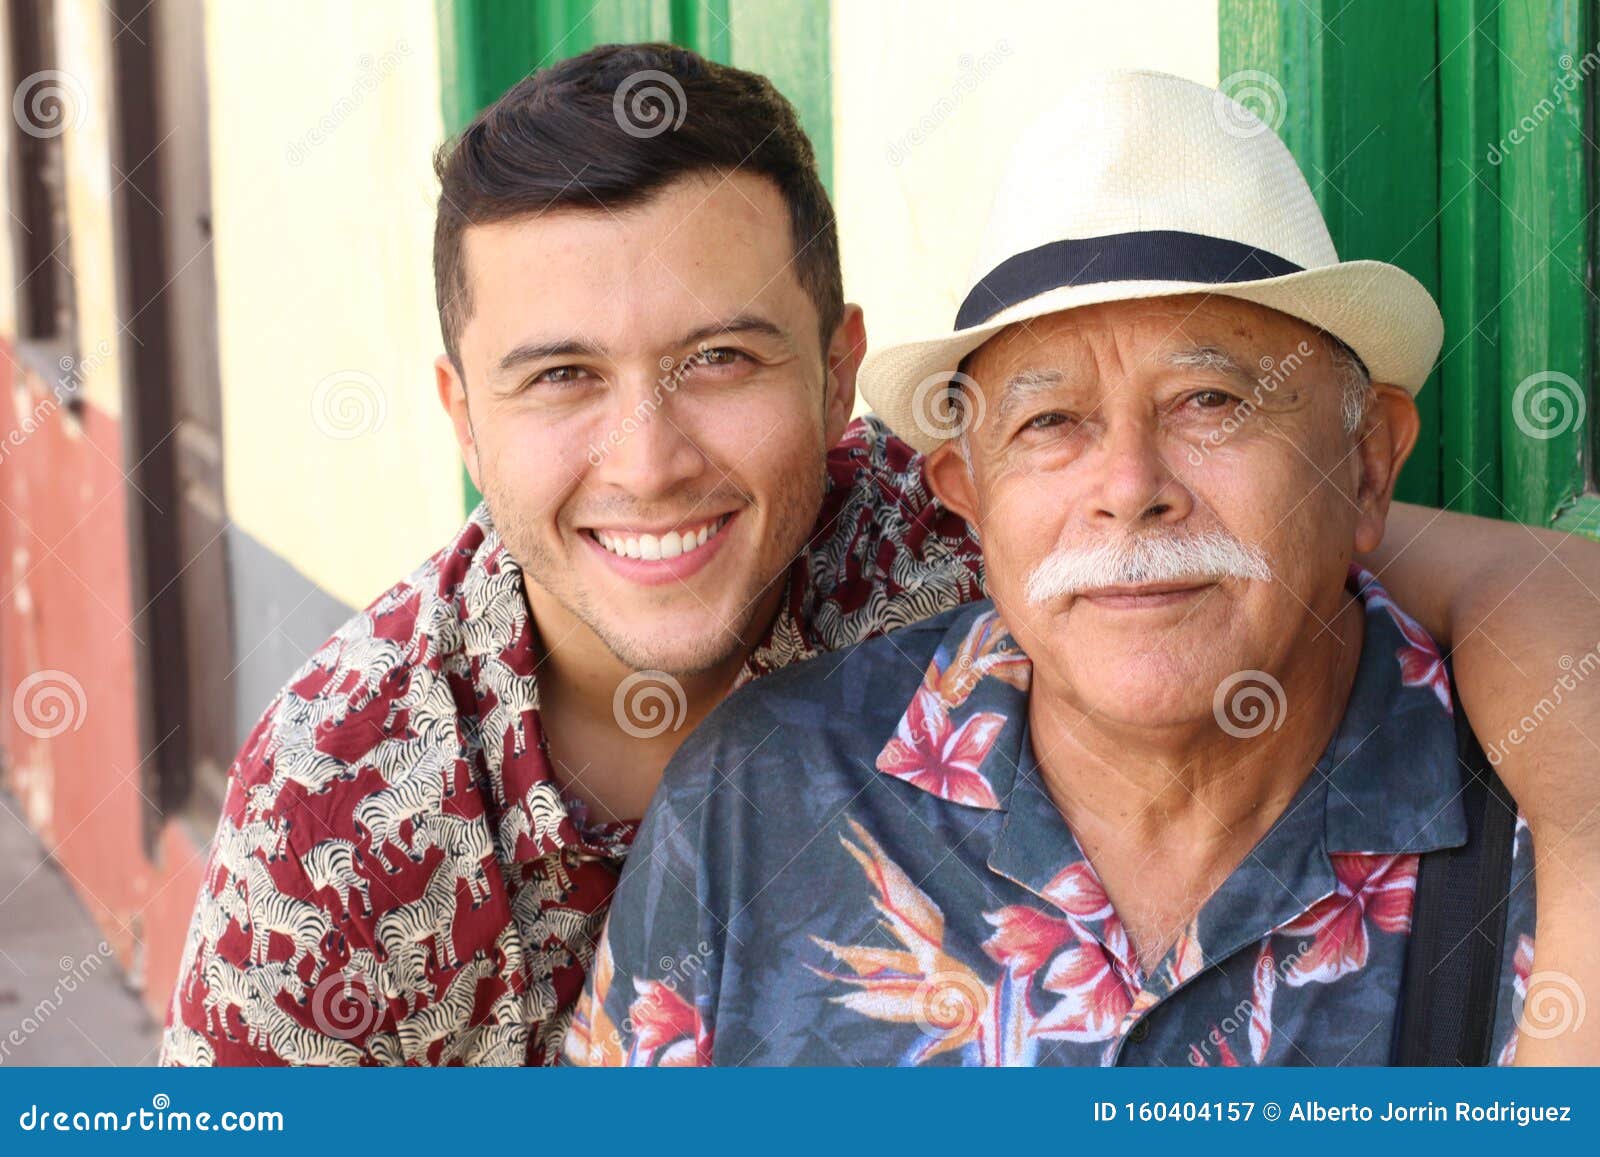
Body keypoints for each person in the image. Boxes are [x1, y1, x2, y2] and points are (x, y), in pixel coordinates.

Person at [164, 49, 1600, 1067]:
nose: (649, 460)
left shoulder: (952, 518)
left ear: (840, 373)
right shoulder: (341, 805)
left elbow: (1296, 549)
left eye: (720, 358)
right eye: (560, 378)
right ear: (461, 416)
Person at [565, 71, 1577, 1067]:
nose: (1129, 487)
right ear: (967, 496)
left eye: (1212, 401)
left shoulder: (1547, 797)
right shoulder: (758, 803)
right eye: (1050, 422)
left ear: (1365, 464)